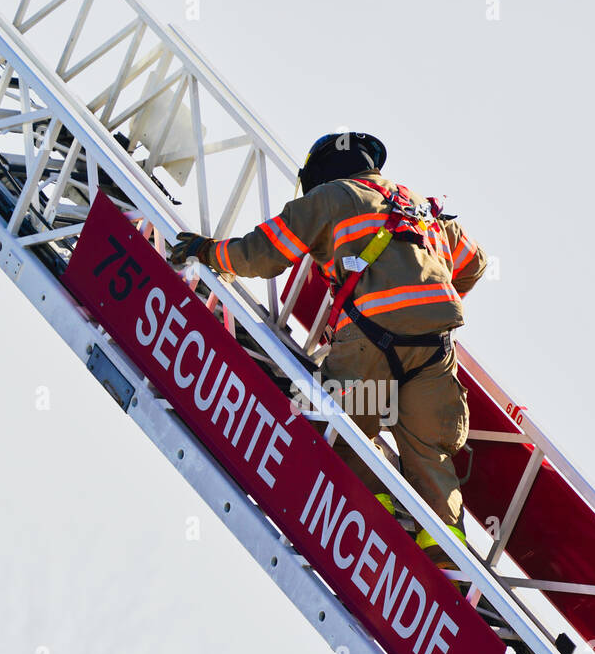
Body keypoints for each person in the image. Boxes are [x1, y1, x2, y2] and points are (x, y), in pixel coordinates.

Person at [168, 132, 488, 569]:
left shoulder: (332, 198)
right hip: (434, 352)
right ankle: (452, 574)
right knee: (432, 463)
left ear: (318, 174)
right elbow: (474, 263)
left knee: (343, 440)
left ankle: (378, 531)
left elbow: (263, 255)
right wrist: (421, 299)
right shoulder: (419, 207)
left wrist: (208, 251)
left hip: (368, 347)